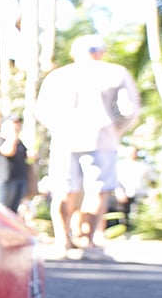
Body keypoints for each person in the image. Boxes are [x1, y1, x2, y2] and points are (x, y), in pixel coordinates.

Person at [33, 34, 142, 260]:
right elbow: (129, 110)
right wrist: (114, 130)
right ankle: (88, 242)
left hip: (65, 138)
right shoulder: (115, 73)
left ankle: (62, 242)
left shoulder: (60, 76)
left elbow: (42, 110)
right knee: (97, 189)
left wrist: (59, 127)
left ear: (75, 53)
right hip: (101, 139)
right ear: (100, 52)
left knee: (63, 189)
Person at [0, 114, 35, 222]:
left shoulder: (19, 142)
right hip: (7, 180)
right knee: (5, 211)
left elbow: (26, 155)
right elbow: (9, 151)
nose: (17, 126)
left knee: (15, 211)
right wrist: (12, 135)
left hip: (20, 178)